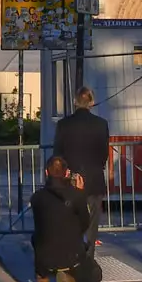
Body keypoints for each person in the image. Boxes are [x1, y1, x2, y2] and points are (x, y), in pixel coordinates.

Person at [30, 155, 94, 282]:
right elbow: (86, 222)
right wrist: (80, 193)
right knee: (85, 261)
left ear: (46, 173)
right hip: (70, 253)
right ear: (67, 174)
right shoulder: (76, 196)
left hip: (44, 253)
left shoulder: (36, 197)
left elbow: (40, 224)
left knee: (37, 239)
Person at [52, 87, 110, 242]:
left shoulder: (64, 124)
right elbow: (104, 152)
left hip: (71, 177)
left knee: (71, 218)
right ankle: (89, 256)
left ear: (75, 102)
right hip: (94, 177)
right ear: (92, 102)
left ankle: (73, 254)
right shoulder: (101, 124)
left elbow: (58, 153)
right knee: (93, 219)